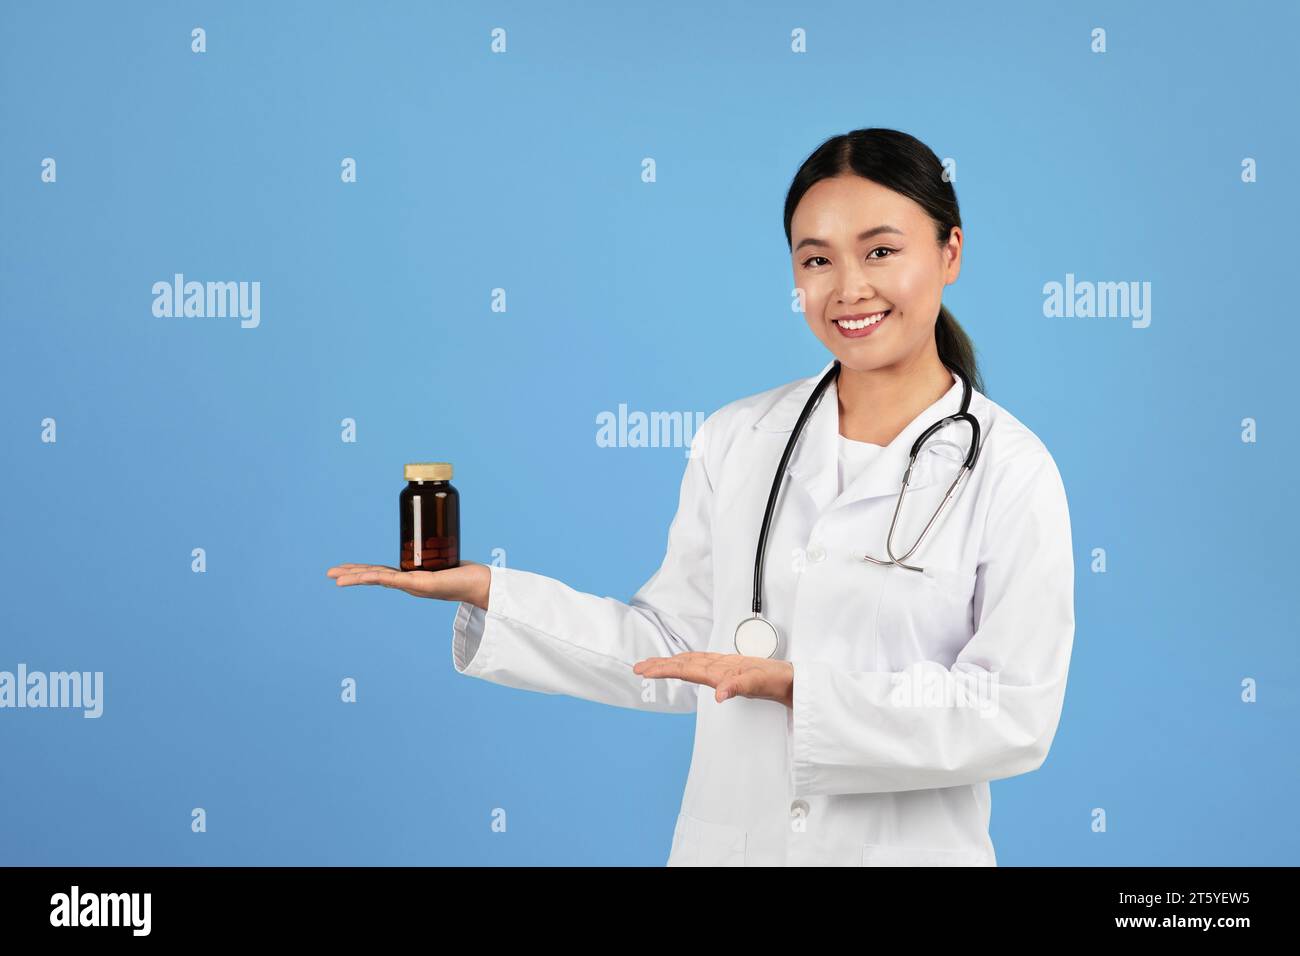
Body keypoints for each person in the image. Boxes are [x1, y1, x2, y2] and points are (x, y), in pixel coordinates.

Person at [327, 128, 1075, 867]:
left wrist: (798, 691)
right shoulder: (738, 437)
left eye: (881, 250)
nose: (849, 287)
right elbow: (676, 651)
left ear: (950, 252)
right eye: (816, 259)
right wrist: (494, 593)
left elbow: (1012, 714)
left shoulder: (1012, 470)